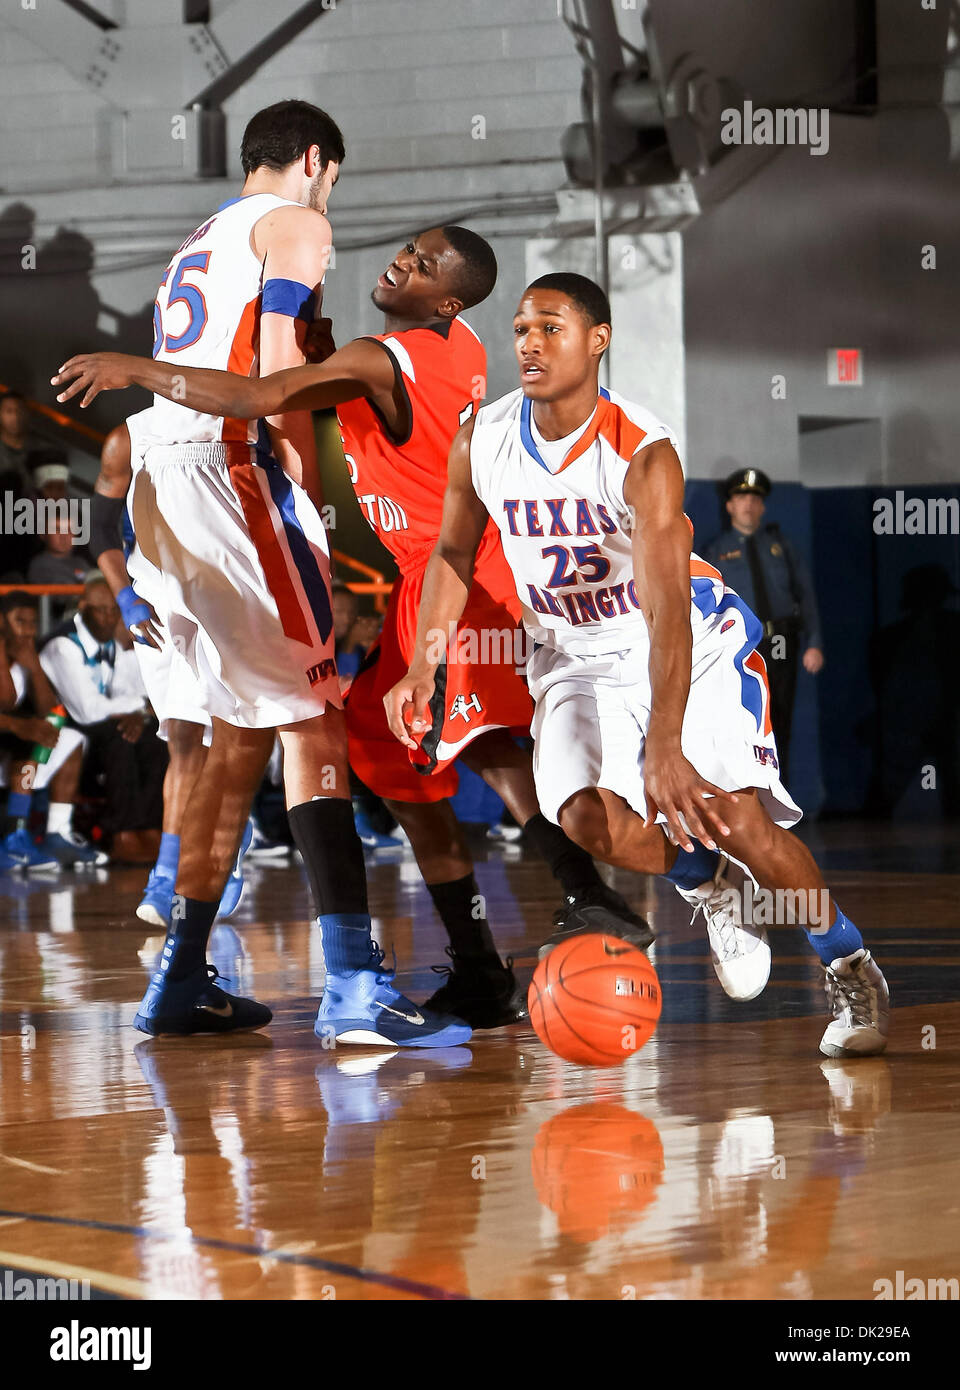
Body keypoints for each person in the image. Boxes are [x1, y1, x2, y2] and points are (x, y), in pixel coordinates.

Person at [53, 231, 655, 1033]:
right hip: (462, 571)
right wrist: (331, 355)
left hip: (454, 576)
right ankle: (487, 960)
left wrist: (141, 372)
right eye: (411, 248)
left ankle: (591, 897)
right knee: (417, 752)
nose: (403, 260)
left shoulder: (384, 356)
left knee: (449, 747)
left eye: (425, 263)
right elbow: (372, 398)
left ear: (447, 298)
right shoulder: (459, 342)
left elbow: (261, 397)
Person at [373, 271, 888, 1059]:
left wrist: (665, 745)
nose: (531, 343)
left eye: (552, 328)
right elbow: (449, 551)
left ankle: (848, 961)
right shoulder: (483, 435)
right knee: (580, 816)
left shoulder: (641, 453)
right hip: (574, 652)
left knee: (735, 818)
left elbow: (667, 610)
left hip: (683, 640)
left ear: (597, 340)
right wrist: (421, 664)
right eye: (521, 330)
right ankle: (710, 888)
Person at [52, 101, 471, 1047]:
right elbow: (276, 372)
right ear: (315, 159)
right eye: (335, 173)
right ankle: (357, 987)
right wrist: (311, 500)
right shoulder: (301, 224)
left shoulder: (201, 236)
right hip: (227, 468)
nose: (333, 193)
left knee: (234, 743)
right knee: (317, 721)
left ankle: (180, 980)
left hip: (158, 488)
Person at [88, 415, 250, 926]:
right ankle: (167, 873)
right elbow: (99, 527)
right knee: (182, 738)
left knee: (227, 734)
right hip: (157, 598)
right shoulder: (128, 435)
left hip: (227, 588)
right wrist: (124, 595)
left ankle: (229, 846)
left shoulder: (241, 417)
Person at [704, 469, 824, 783]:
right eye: (741, 497)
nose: (748, 504)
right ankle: (745, 788)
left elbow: (805, 595)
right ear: (729, 506)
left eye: (755, 498)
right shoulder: (715, 551)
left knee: (780, 716)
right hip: (740, 644)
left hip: (781, 642)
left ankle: (776, 788)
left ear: (763, 507)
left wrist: (814, 642)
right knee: (742, 715)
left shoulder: (781, 548)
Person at [38, 575, 167, 864]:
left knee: (154, 736)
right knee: (122, 737)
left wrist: (140, 715)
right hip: (62, 736)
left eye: (114, 611)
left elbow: (124, 691)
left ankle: (148, 828)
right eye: (101, 610)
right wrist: (142, 708)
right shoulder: (64, 646)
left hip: (100, 730)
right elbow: (88, 710)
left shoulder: (109, 645)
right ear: (82, 608)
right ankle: (121, 832)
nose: (110, 619)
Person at [0, 592, 102, 869]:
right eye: (20, 621)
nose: (29, 630)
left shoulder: (24, 655)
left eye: (33, 622)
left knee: (67, 737)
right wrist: (19, 726)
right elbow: (6, 701)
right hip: (7, 735)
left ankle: (56, 831)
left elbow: (49, 710)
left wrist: (33, 667)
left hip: (9, 741)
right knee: (27, 735)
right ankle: (12, 836)